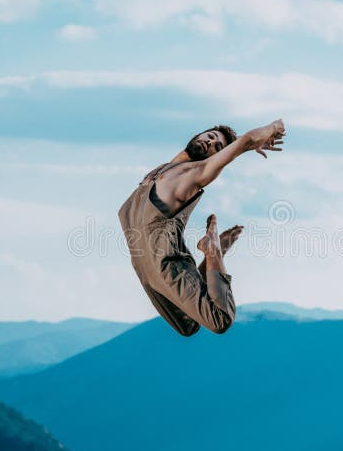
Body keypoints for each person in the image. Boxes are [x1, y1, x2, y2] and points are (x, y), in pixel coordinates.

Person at [117, 119, 286, 336]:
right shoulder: (159, 173)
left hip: (166, 268)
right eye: (210, 136)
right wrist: (245, 144)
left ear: (216, 158)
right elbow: (241, 143)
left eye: (217, 146)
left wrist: (274, 128)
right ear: (199, 134)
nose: (210, 142)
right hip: (147, 272)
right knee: (188, 326)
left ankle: (213, 252)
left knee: (219, 319)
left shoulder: (194, 173)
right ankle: (213, 255)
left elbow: (245, 141)